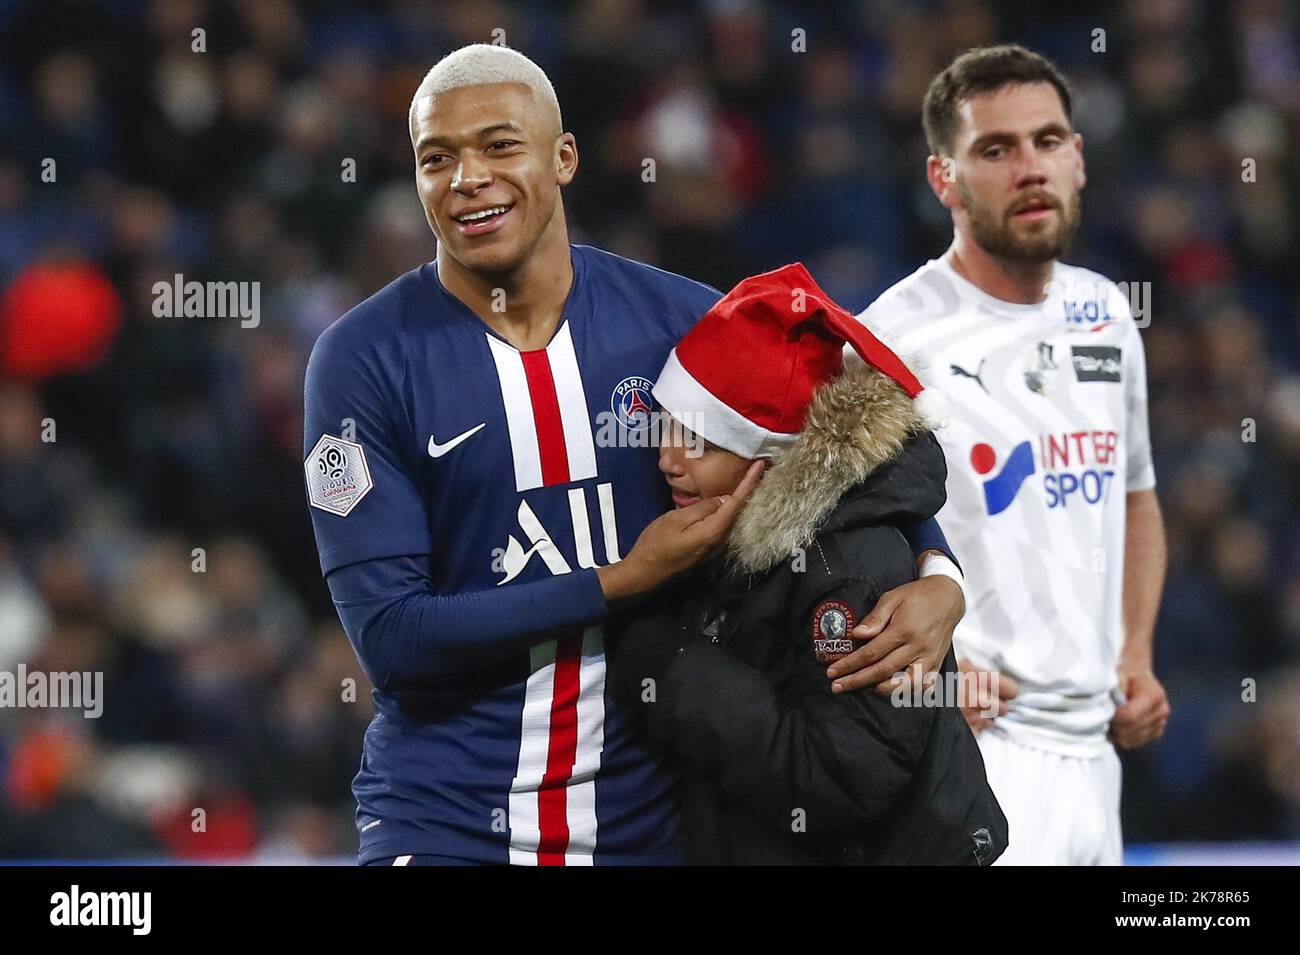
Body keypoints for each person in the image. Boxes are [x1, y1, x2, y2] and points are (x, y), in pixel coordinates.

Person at [302, 43, 968, 865]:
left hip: (655, 826)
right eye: (436, 158)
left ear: (565, 157)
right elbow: (394, 640)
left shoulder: (680, 325)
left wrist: (940, 575)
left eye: (500, 145)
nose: (466, 176)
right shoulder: (364, 358)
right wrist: (622, 581)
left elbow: (852, 449)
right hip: (443, 822)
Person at [851, 44, 1170, 865]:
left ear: (1080, 158)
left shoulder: (1105, 312)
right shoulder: (892, 340)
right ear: (943, 179)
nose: (1031, 166)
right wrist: (937, 663)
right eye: (996, 149)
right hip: (974, 748)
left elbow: (1134, 496)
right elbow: (833, 550)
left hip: (1097, 758)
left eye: (1049, 140)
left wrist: (1135, 652)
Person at [607, 263, 1008, 865]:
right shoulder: (734, 537)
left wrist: (663, 660)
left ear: (769, 460)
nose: (668, 460)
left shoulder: (849, 571)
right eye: (665, 429)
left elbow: (834, 779)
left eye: (701, 441)